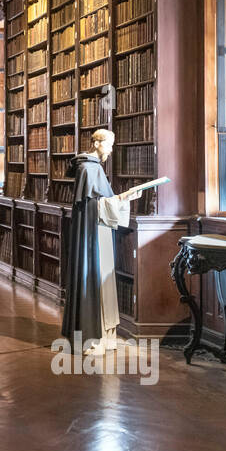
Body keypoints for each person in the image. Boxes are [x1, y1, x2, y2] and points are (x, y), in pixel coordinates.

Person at [61, 129, 136, 354]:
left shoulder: (91, 167)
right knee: (93, 276)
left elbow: (98, 202)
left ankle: (103, 335)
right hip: (93, 234)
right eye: (109, 145)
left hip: (96, 231)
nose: (111, 150)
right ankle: (92, 338)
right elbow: (96, 206)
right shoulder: (89, 168)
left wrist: (123, 198)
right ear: (96, 143)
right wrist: (123, 199)